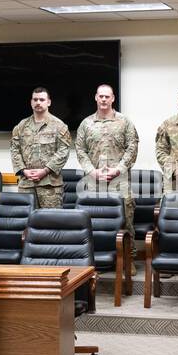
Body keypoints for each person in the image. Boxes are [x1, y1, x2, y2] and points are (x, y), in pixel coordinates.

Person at [74, 83, 138, 239]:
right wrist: (92, 171)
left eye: (107, 96)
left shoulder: (125, 122)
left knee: (126, 225)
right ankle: (93, 259)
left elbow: (132, 147)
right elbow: (80, 149)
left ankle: (129, 261)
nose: (103, 99)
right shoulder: (86, 124)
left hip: (120, 182)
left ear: (113, 99)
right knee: (93, 226)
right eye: (100, 96)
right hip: (93, 183)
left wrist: (118, 169)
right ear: (96, 98)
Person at [10, 86, 71, 209]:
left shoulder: (59, 126)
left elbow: (63, 151)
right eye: (35, 99)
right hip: (26, 184)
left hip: (50, 186)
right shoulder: (21, 126)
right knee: (26, 223)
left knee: (51, 223)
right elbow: (14, 149)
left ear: (48, 102)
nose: (38, 102)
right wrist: (24, 170)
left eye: (42, 100)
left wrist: (45, 170)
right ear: (31, 102)